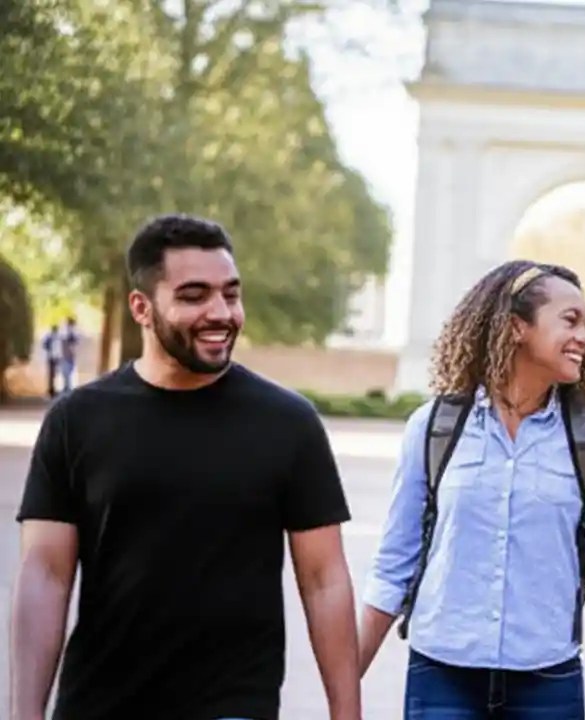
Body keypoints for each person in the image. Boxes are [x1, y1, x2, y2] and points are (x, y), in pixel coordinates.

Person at [11, 213, 362, 720]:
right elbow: (44, 573)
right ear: (142, 307)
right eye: (194, 295)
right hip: (100, 704)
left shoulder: (289, 423)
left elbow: (324, 577)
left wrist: (346, 714)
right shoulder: (77, 420)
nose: (221, 312)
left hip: (232, 704)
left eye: (231, 293)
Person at [357, 260, 585, 719]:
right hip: (442, 674)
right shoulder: (434, 427)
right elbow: (393, 566)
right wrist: (344, 683)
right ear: (516, 327)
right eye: (570, 320)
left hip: (548, 680)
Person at [39, 324, 60, 397]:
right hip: (53, 357)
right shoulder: (51, 337)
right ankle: (51, 390)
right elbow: (45, 345)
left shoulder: (55, 337)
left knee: (54, 374)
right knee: (52, 374)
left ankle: (53, 389)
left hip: (55, 357)